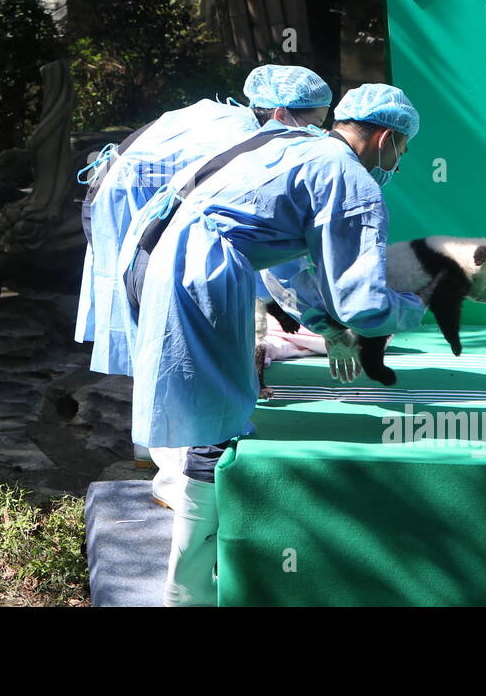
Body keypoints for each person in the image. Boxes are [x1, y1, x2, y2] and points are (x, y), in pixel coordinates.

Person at [116, 83, 437, 605]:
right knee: (216, 425)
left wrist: (324, 326)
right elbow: (363, 305)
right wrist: (421, 305)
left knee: (208, 410)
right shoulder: (350, 179)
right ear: (383, 137)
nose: (397, 161)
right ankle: (187, 592)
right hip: (198, 270)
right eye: (401, 149)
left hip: (152, 252)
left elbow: (283, 265)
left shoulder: (291, 144)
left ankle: (195, 566)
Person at [74, 65, 331, 487]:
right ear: (283, 113)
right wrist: (322, 319)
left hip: (142, 207)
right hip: (126, 206)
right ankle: (164, 459)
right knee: (162, 328)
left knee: (181, 321)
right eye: (314, 124)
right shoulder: (245, 142)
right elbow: (264, 265)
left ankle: (167, 447)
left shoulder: (251, 129)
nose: (317, 136)